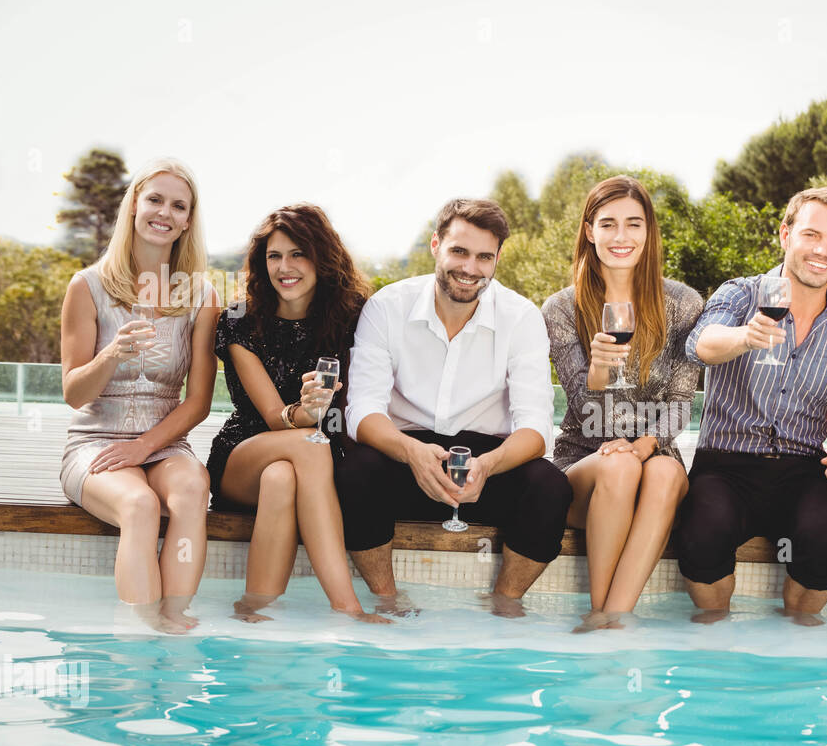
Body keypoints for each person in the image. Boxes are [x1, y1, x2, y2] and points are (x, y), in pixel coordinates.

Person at [337, 198, 572, 616]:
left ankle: (504, 604)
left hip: (486, 467)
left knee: (550, 487)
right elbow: (362, 412)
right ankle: (388, 601)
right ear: (435, 245)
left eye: (484, 257)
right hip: (405, 458)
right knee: (355, 472)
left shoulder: (521, 318)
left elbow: (536, 428)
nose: (470, 268)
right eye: (459, 252)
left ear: (497, 258)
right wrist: (410, 452)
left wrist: (489, 465)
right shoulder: (387, 307)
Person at [676, 187, 827, 623]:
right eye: (811, 234)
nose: (822, 250)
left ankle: (794, 651)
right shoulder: (740, 295)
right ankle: (717, 644)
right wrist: (744, 337)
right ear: (786, 235)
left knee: (825, 546)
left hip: (801, 471)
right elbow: (700, 345)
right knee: (701, 538)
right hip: (725, 464)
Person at [59, 157, 222, 632]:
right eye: (154, 199)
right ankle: (141, 635)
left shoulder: (201, 296)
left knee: (193, 488)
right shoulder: (86, 286)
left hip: (165, 444)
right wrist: (112, 353)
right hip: (94, 444)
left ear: (188, 220)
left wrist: (145, 446)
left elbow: (199, 403)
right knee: (140, 505)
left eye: (178, 205)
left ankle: (175, 623)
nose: (164, 213)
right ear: (134, 204)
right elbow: (73, 393)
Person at [208, 205, 388, 624]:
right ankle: (347, 608)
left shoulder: (353, 316)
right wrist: (308, 412)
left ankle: (253, 610)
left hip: (310, 461)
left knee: (283, 475)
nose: (285, 267)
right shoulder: (239, 321)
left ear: (321, 257)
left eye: (298, 254)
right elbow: (273, 417)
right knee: (308, 446)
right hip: (245, 453)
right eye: (274, 256)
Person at [543, 176, 704, 625]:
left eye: (634, 224)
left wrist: (646, 444)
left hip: (655, 456)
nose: (621, 237)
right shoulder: (560, 308)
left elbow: (680, 401)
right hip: (586, 466)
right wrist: (597, 370)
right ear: (589, 231)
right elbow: (583, 411)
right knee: (618, 463)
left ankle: (613, 618)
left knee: (666, 472)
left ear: (648, 232)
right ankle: (600, 612)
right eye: (608, 224)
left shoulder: (684, 303)